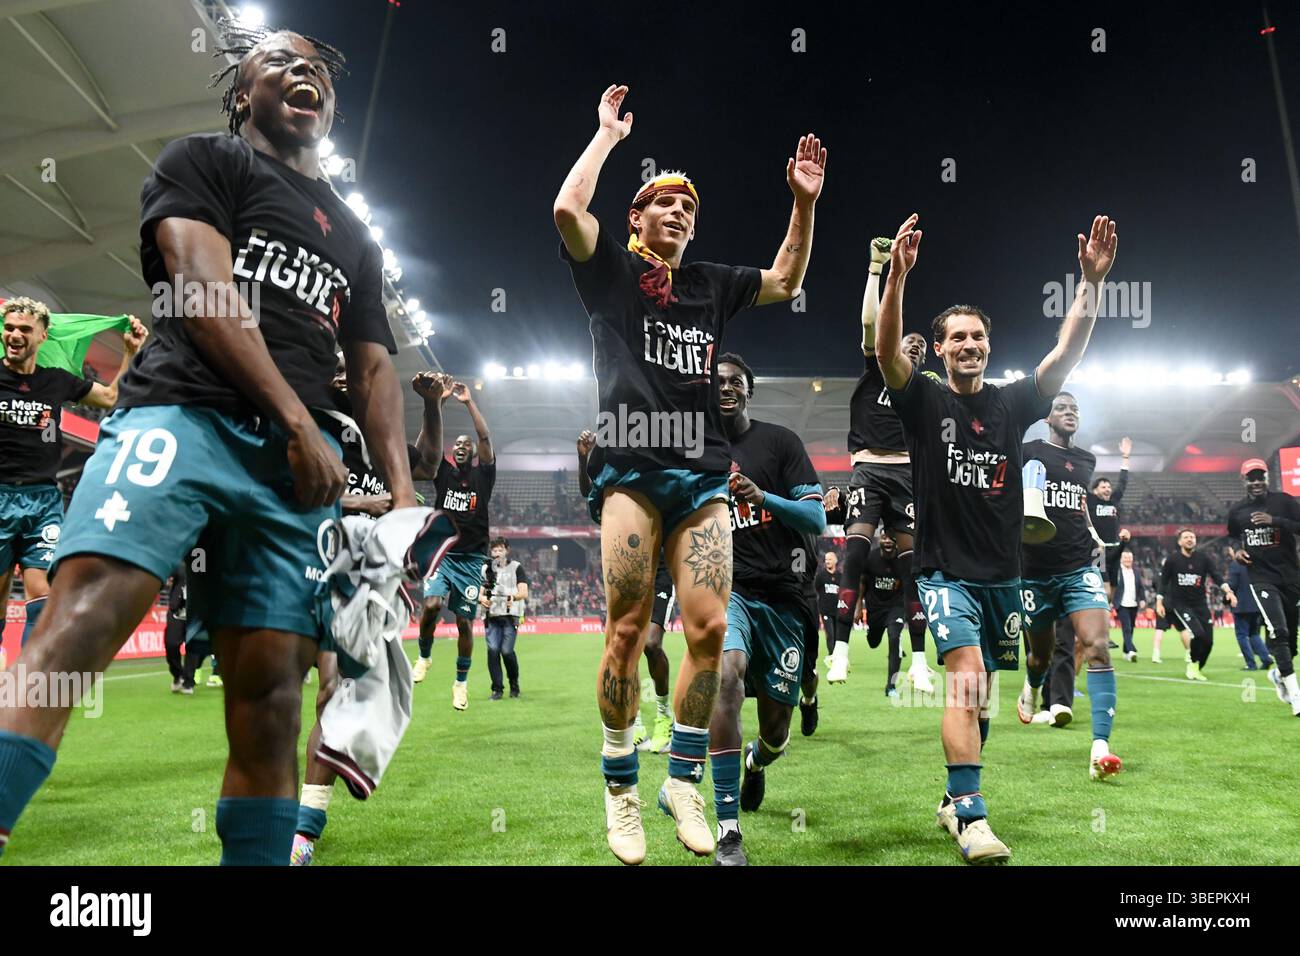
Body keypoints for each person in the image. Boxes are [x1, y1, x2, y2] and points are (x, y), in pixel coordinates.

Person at [0, 21, 425, 865]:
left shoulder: (358, 238)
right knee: (80, 619)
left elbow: (373, 368)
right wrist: (301, 424)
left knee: (272, 702)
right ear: (242, 93)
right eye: (280, 64)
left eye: (317, 69)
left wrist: (405, 497)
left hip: (292, 478)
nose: (304, 74)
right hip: (182, 417)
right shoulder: (204, 160)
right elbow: (203, 289)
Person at [553, 84, 825, 864]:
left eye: (689, 208)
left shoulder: (707, 283)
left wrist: (802, 204)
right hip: (632, 472)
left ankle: (680, 779)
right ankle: (620, 789)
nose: (679, 213)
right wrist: (605, 138)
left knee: (707, 634)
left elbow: (786, 280)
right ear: (635, 218)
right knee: (629, 633)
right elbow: (568, 213)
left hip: (704, 478)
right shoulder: (610, 273)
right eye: (663, 203)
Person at [876, 211, 1118, 863]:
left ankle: (953, 800)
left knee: (981, 700)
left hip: (1001, 580)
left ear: (987, 344)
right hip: (943, 572)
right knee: (968, 676)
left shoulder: (1013, 402)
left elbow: (1065, 354)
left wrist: (1090, 282)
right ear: (942, 347)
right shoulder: (925, 402)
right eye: (956, 337)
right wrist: (896, 277)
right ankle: (974, 818)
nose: (968, 345)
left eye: (977, 336)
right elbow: (883, 352)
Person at [291, 363, 437, 866]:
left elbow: (431, 463)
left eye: (347, 367)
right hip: (306, 558)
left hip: (360, 576)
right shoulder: (309, 420)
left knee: (334, 692)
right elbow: (292, 486)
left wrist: (434, 404)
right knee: (278, 694)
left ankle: (303, 830)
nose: (338, 372)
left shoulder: (381, 438)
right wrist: (364, 501)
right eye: (330, 365)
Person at [707, 354, 825, 866]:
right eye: (718, 382)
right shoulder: (697, 450)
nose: (726, 388)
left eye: (735, 381)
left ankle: (757, 762)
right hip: (726, 591)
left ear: (749, 390)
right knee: (726, 679)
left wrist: (764, 496)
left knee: (776, 731)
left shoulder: (780, 443)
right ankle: (728, 829)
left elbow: (816, 517)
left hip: (784, 597)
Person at [0, 299, 147, 645]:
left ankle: (31, 688)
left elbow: (111, 398)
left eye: (24, 329)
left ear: (43, 336)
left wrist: (130, 353)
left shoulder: (57, 381)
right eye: (9, 328)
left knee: (44, 593)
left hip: (43, 500)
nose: (14, 335)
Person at [835, 237, 930, 690]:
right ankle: (838, 652)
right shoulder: (878, 366)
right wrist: (877, 270)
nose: (916, 351)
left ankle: (918, 662)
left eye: (922, 350)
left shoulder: (923, 393)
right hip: (870, 468)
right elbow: (872, 322)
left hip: (908, 475)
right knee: (854, 550)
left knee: (914, 565)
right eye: (910, 343)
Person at [1017, 393, 1122, 780]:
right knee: (1040, 657)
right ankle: (1032, 686)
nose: (1069, 413)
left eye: (1074, 409)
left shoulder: (1086, 461)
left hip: (1080, 566)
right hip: (1035, 571)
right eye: (1061, 408)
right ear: (1046, 417)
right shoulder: (1027, 450)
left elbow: (1079, 505)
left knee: (1096, 646)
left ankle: (1100, 747)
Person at [577, 429, 674, 753]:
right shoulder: (617, 442)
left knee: (650, 643)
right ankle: (635, 723)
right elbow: (591, 493)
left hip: (661, 566)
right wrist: (583, 457)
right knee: (626, 643)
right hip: (628, 560)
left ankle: (664, 716)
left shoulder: (670, 440)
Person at [413, 378, 495, 710]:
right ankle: (424, 656)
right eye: (456, 444)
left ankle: (460, 683)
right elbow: (422, 452)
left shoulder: (483, 476)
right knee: (432, 606)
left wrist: (467, 402)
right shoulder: (443, 473)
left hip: (473, 559)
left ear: (474, 452)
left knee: (464, 623)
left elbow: (485, 436)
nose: (461, 446)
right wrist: (437, 402)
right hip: (443, 554)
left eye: (467, 444)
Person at [1227, 458, 1300, 713]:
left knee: (1291, 643)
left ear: (1267, 478)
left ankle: (1280, 675)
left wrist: (1275, 521)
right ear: (1244, 480)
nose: (1256, 482)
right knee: (1278, 631)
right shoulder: (1237, 511)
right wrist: (1236, 552)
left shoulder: (1285, 501)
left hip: (1291, 577)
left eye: (1260, 477)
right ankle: (1295, 695)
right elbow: (1232, 537)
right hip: (1260, 578)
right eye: (1251, 477)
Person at [1155, 530, 1236, 682]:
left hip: (1200, 604)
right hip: (1181, 604)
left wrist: (1228, 590)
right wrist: (1159, 602)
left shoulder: (1203, 558)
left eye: (1192, 537)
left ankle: (1197, 666)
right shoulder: (1172, 560)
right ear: (1180, 542)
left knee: (1209, 641)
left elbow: (1216, 575)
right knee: (1198, 634)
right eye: (1186, 537)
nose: (1190, 539)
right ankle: (1192, 663)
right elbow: (1164, 582)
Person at [480, 536, 528, 700]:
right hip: (491, 616)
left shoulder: (516, 568)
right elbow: (479, 591)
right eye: (494, 550)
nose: (497, 552)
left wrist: (513, 597)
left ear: (507, 550)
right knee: (493, 650)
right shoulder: (486, 569)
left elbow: (523, 592)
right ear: (491, 552)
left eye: (501, 549)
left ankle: (514, 684)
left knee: (507, 651)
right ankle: (497, 689)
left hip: (510, 616)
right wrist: (481, 599)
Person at [1087, 437, 1131, 603]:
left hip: (1115, 549)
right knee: (1103, 590)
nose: (1108, 489)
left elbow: (1123, 482)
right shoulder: (1090, 500)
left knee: (1112, 593)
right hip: (1098, 550)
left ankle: (1103, 621)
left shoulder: (1113, 501)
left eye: (1108, 486)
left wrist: (1125, 458)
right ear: (1095, 491)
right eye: (1103, 486)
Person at [1226, 555, 1271, 670]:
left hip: (1241, 606)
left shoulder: (1236, 565)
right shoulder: (1256, 563)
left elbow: (1233, 584)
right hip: (1256, 604)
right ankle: (1266, 658)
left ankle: (1251, 664)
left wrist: (1227, 597)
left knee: (1242, 635)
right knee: (1254, 634)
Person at [1113, 550, 1145, 662]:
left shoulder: (1136, 571)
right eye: (1125, 557)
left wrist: (1143, 599)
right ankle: (1131, 650)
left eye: (1129, 557)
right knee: (1126, 628)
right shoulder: (1117, 571)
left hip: (1134, 604)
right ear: (1121, 559)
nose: (1128, 559)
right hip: (1121, 604)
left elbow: (1141, 587)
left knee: (1131, 629)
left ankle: (1125, 651)